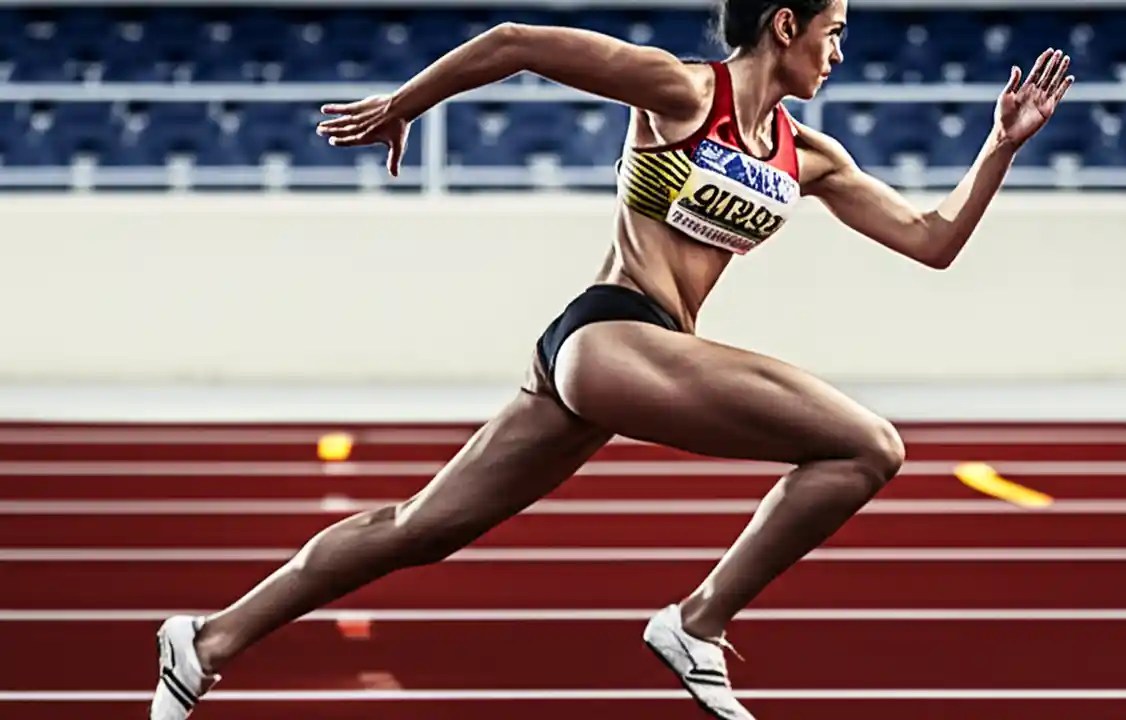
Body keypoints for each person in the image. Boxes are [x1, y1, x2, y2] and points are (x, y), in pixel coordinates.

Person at [150, 1, 1073, 718]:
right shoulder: (679, 92)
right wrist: (404, 107)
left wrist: (998, 146)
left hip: (610, 360)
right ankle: (696, 622)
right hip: (609, 329)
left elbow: (933, 239)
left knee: (418, 528)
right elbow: (515, 42)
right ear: (783, 26)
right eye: (832, 33)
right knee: (867, 445)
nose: (839, 53)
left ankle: (207, 640)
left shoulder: (810, 157)